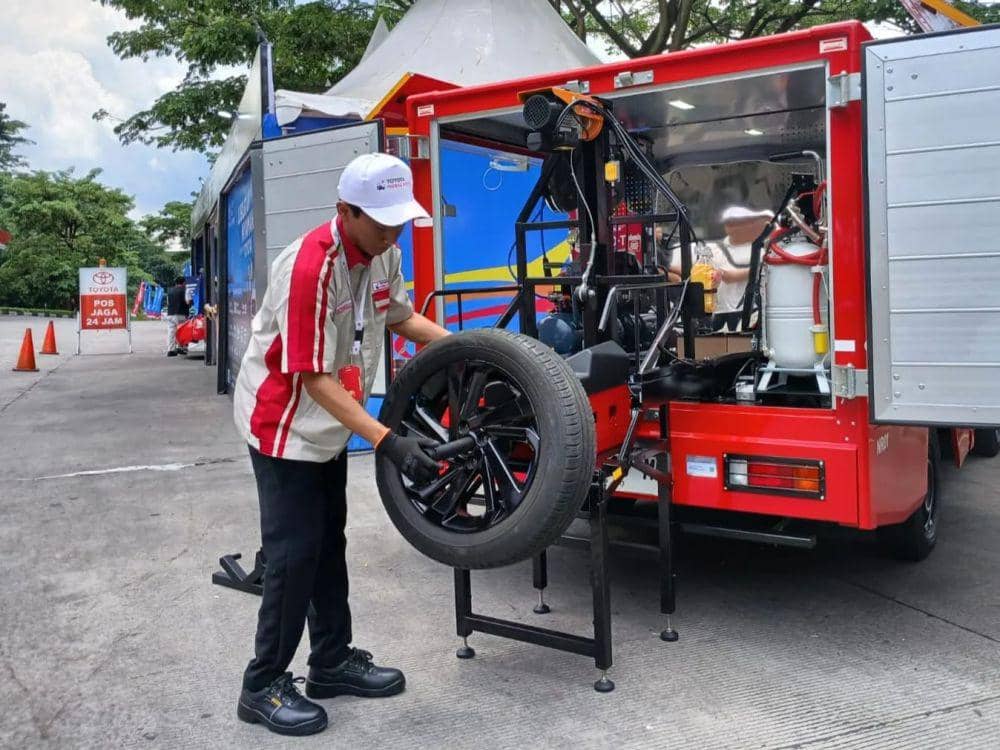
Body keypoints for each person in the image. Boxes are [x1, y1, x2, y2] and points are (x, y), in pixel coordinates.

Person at [232, 153, 450, 737]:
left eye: (398, 220)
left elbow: (400, 317)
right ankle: (261, 685)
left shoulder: (385, 252)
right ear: (344, 211)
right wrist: (388, 442)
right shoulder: (310, 267)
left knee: (330, 541)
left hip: (330, 422)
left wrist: (467, 346)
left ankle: (330, 661)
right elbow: (312, 378)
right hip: (285, 422)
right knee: (293, 553)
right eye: (379, 221)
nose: (391, 232)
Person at [708, 206, 773, 332]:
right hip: (720, 312)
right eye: (730, 223)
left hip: (749, 311)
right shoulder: (714, 250)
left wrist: (737, 274)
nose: (734, 227)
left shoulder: (759, 250)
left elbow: (764, 272)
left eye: (738, 223)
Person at [165, 276, 191, 356]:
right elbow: (188, 301)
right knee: (183, 331)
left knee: (171, 332)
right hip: (181, 314)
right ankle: (181, 348)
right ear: (184, 283)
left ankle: (171, 350)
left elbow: (168, 302)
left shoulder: (169, 291)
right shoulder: (186, 290)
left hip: (170, 314)